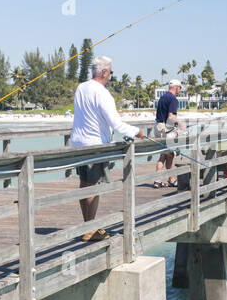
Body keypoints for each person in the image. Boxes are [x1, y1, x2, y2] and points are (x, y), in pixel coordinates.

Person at [70, 56, 145, 241]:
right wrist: (138, 131)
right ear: (104, 72)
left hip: (79, 144)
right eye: (110, 72)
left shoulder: (81, 88)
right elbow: (117, 124)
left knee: (84, 184)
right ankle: (91, 228)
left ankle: (88, 226)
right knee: (94, 186)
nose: (111, 75)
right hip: (95, 145)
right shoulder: (102, 93)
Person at [153, 79, 182, 188]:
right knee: (168, 154)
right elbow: (171, 116)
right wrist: (180, 126)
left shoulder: (162, 97)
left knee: (165, 154)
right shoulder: (173, 99)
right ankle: (160, 179)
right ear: (176, 87)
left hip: (158, 127)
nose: (179, 91)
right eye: (179, 88)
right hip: (166, 129)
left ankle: (167, 179)